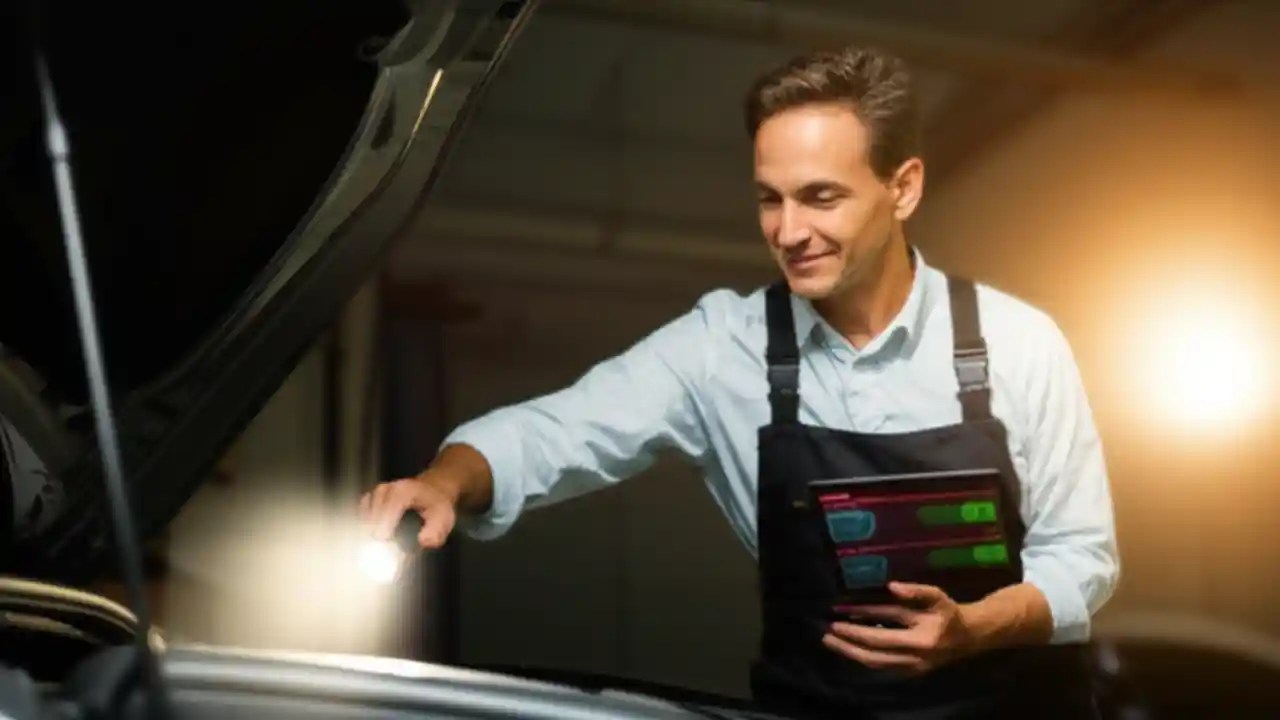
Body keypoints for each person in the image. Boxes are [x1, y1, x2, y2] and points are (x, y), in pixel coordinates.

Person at [361, 44, 1119, 719]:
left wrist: (973, 629)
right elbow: (555, 430)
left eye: (821, 196)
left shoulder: (1018, 342)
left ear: (905, 188)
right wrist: (445, 481)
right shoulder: (723, 347)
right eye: (769, 198)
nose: (789, 231)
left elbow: (1082, 555)